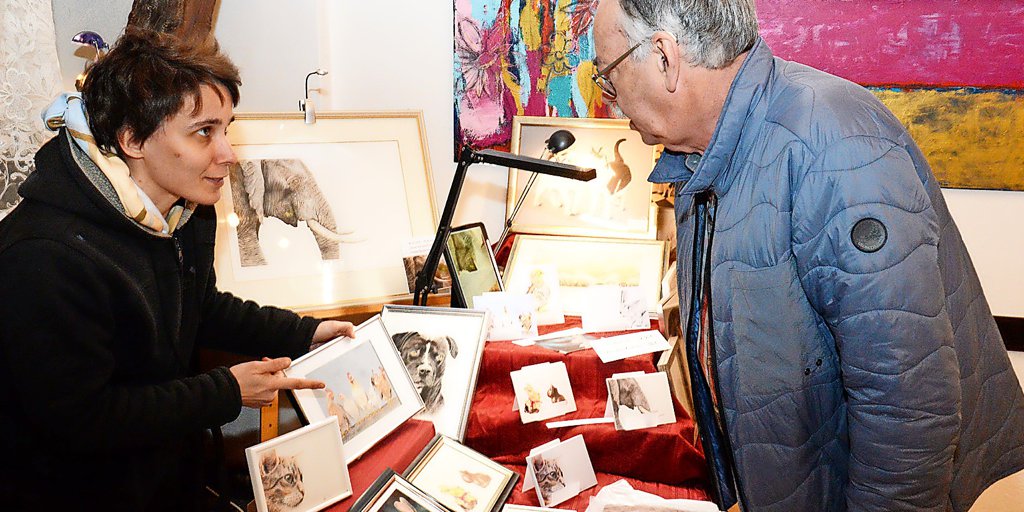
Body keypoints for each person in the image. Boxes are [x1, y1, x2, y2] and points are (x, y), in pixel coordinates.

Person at [590, 1, 1024, 511]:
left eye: (609, 77)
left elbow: (908, 406)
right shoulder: (708, 149)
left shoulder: (834, 149)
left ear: (665, 57)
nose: (612, 100)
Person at [0, 29, 355, 510]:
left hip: (165, 480)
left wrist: (303, 333)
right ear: (132, 139)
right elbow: (83, 418)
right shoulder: (42, 257)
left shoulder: (185, 210)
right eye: (204, 132)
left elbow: (198, 306)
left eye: (226, 128)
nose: (227, 154)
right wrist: (227, 391)